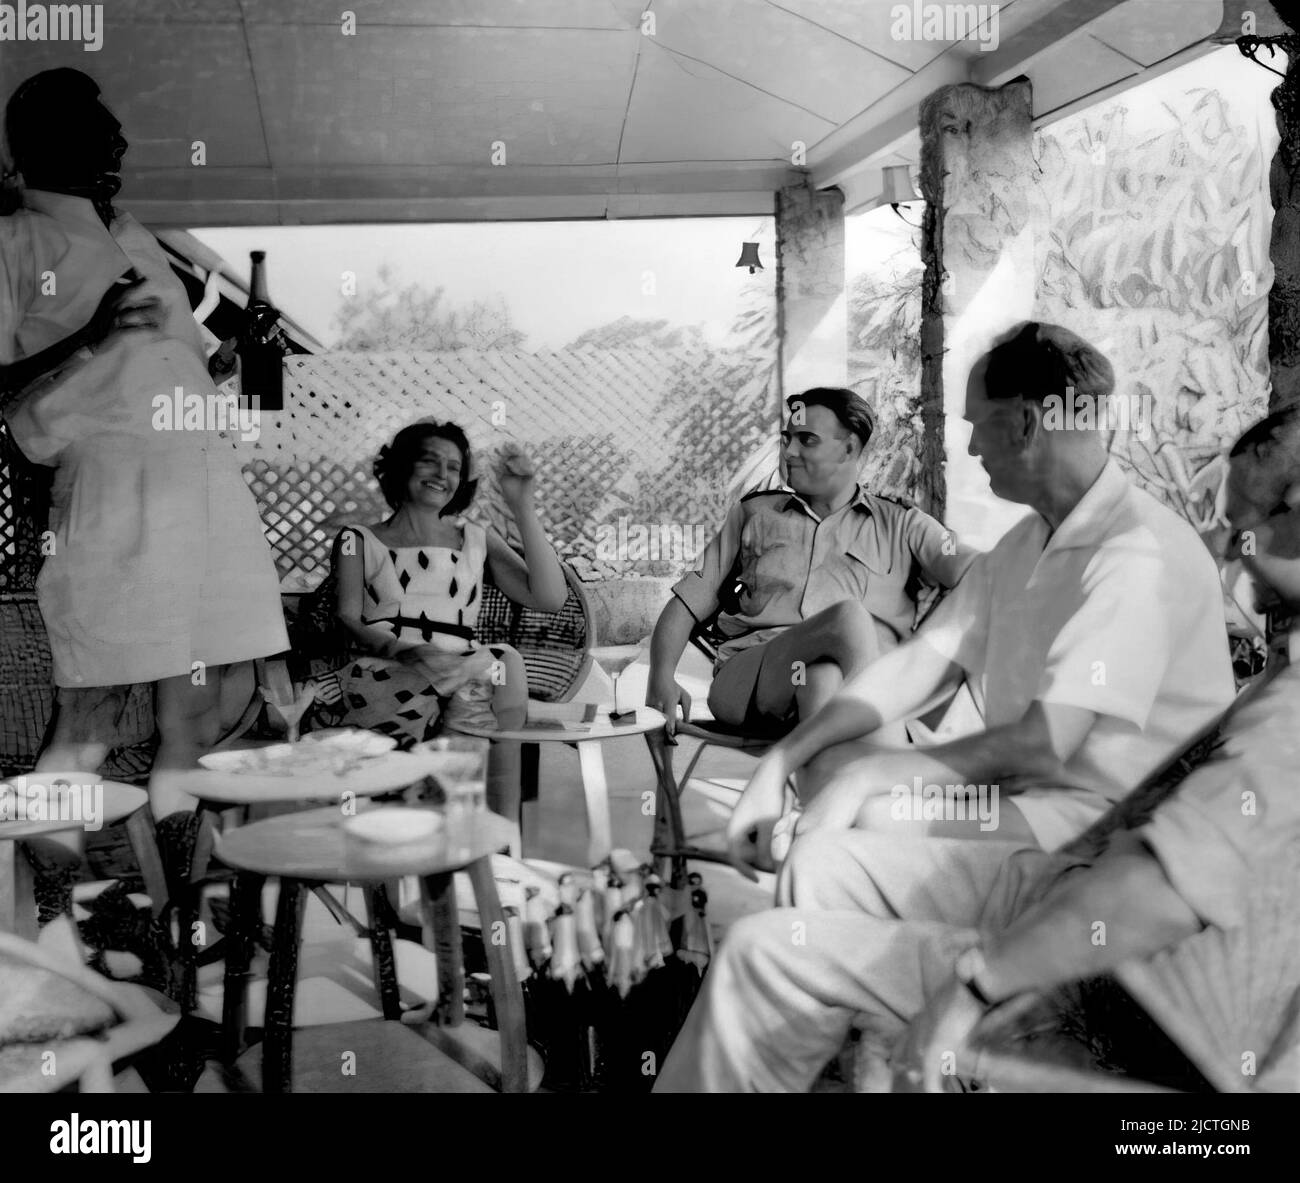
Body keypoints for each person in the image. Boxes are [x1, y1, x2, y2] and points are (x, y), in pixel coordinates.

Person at [656, 402, 1300, 1092]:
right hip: (1086, 885)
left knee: (762, 948)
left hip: (1119, 996)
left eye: (1244, 531)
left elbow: (1157, 884)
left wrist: (974, 989)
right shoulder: (762, 516)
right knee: (823, 855)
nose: (1232, 557)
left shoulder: (1146, 565)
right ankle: (854, 1062)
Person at [727, 323, 1235, 865]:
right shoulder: (1027, 542)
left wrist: (870, 776)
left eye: (977, 425)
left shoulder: (1136, 554)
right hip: (1030, 796)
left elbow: (1042, 745)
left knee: (869, 820)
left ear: (1025, 425)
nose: (969, 446)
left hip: (1123, 821)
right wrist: (780, 760)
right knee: (825, 763)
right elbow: (920, 665)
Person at [0, 70, 288, 920]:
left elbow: (180, 361)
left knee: (187, 724)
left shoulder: (137, 236)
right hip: (112, 499)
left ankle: (175, 914)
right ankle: (56, 920)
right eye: (98, 126)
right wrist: (86, 340)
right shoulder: (13, 240)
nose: (119, 142)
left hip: (208, 494)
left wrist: (223, 366)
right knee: (85, 726)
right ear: (37, 141)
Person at [647, 385, 975, 755]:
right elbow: (689, 601)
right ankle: (895, 759)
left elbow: (980, 573)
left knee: (821, 679)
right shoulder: (753, 516)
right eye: (787, 439)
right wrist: (660, 676)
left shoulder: (903, 524)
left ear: (849, 449)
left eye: (806, 440)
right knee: (849, 618)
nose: (789, 452)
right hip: (755, 676)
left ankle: (827, 801)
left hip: (836, 689)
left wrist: (928, 641)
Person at [333, 420, 566, 819]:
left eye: (454, 467)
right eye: (429, 461)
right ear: (402, 466)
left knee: (500, 664)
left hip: (465, 669)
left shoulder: (475, 537)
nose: (443, 475)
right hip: (388, 666)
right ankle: (408, 813)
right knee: (397, 794)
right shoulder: (358, 540)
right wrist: (408, 652)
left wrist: (522, 505)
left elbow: (549, 597)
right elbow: (347, 617)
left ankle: (493, 832)